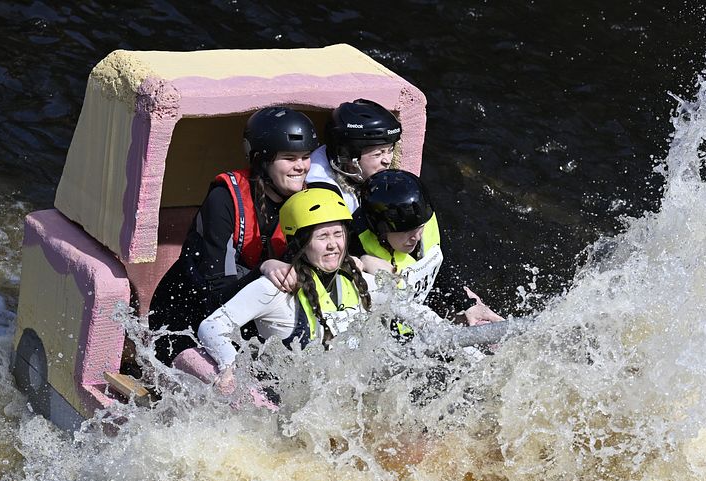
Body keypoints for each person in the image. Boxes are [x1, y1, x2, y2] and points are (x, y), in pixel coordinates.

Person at [150, 106, 318, 363]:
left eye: (305, 157)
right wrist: (264, 267)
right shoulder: (224, 199)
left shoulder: (310, 200)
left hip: (250, 318)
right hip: (187, 317)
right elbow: (216, 294)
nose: (301, 167)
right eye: (289, 158)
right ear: (262, 160)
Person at [197, 188, 372, 391]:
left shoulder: (358, 282)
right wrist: (230, 365)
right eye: (322, 236)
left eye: (337, 234)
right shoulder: (274, 288)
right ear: (300, 243)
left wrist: (378, 265)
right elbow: (211, 327)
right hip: (282, 403)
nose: (333, 244)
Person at [355, 169, 502, 331]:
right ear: (380, 229)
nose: (417, 237)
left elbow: (439, 269)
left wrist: (468, 305)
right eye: (407, 231)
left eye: (420, 228)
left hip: (424, 311)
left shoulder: (424, 218)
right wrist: (364, 261)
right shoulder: (357, 242)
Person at [305, 99, 401, 213]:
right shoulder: (322, 191)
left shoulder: (353, 172)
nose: (387, 160)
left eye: (390, 150)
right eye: (378, 154)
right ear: (346, 155)